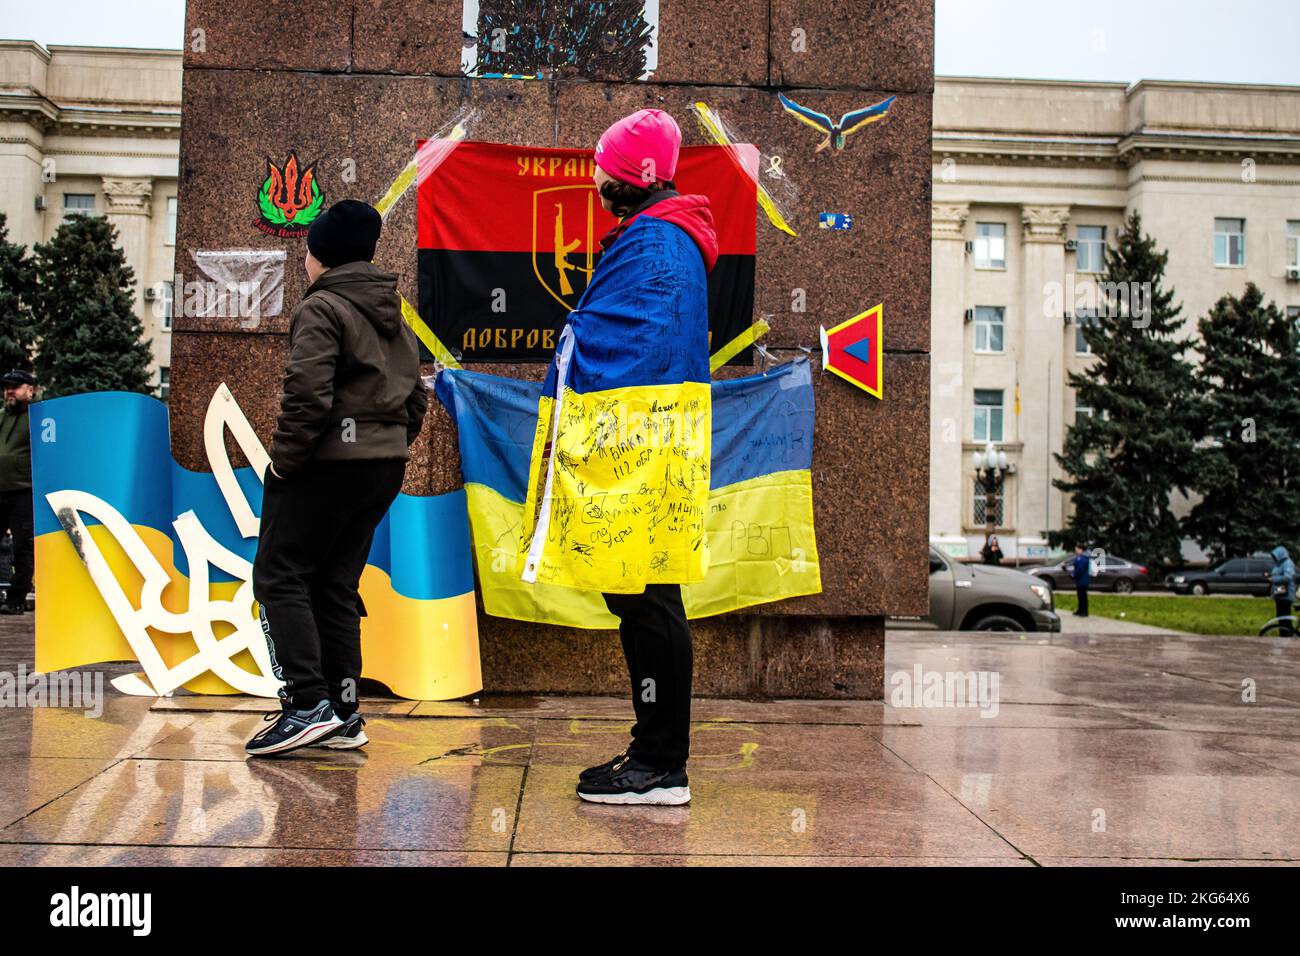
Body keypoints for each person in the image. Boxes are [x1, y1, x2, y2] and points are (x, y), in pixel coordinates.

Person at [524, 109, 715, 805]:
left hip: (640, 444)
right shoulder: (656, 236)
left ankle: (662, 763)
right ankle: (653, 750)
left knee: (648, 597)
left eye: (602, 166)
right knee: (637, 595)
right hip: (648, 440)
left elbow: (634, 346)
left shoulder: (658, 243)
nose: (595, 178)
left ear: (630, 175)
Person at [246, 200, 428, 757]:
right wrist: (387, 445)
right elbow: (415, 395)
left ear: (319, 254)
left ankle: (306, 705)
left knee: (280, 577)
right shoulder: (391, 309)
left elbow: (306, 394)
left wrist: (284, 462)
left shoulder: (322, 306)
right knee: (335, 585)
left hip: (324, 465)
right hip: (382, 468)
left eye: (307, 248)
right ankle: (344, 712)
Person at [0, 369, 36, 615]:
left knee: (22, 548)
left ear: (30, 390)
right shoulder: (2, 415)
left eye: (15, 386)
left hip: (23, 492)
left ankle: (17, 598)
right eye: (6, 387)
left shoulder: (38, 417)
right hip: (0, 491)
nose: (9, 391)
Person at [1267, 545, 1295, 637]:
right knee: (1281, 617)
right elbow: (1278, 574)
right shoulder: (1279, 564)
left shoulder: (1287, 563)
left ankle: (1287, 634)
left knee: (1285, 616)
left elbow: (1288, 577)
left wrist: (1273, 579)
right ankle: (1284, 633)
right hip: (1280, 594)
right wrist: (1270, 575)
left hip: (1286, 595)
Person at [1067, 543, 1093, 618]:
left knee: (1083, 596)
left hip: (1083, 580)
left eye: (1077, 549)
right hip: (1080, 580)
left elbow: (1080, 569)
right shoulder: (1080, 557)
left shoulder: (1083, 558)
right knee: (1080, 596)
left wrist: (1073, 575)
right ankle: (1080, 610)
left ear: (1081, 549)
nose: (1076, 551)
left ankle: (1084, 611)